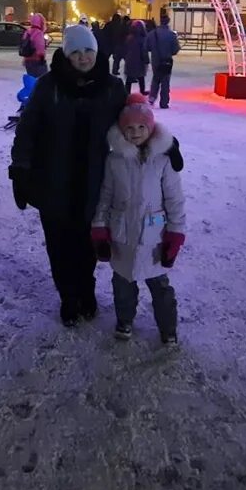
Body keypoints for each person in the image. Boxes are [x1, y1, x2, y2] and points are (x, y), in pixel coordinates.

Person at [9, 24, 126, 326]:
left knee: (88, 245)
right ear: (66, 54)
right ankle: (68, 298)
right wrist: (20, 170)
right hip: (53, 181)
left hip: (95, 182)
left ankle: (86, 290)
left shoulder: (112, 87)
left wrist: (162, 145)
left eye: (88, 50)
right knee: (60, 247)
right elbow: (28, 130)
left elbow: (134, 126)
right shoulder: (49, 86)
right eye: (75, 52)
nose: (83, 57)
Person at [91, 93, 185, 344]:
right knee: (122, 285)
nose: (135, 133)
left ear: (151, 127)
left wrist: (175, 234)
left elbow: (175, 200)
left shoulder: (164, 160)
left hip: (153, 238)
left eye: (141, 127)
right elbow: (105, 195)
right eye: (129, 128)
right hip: (121, 235)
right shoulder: (114, 160)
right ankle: (124, 320)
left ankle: (168, 327)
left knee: (160, 288)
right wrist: (100, 229)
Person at [145, 11, 181, 109]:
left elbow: (147, 46)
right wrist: (169, 52)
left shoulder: (152, 34)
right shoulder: (171, 35)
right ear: (168, 22)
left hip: (156, 60)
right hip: (167, 61)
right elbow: (176, 49)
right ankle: (164, 102)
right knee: (165, 81)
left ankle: (152, 97)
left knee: (156, 78)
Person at [122, 19, 149, 96]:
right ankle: (142, 90)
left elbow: (125, 49)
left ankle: (127, 92)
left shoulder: (129, 38)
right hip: (139, 60)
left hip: (130, 59)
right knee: (141, 76)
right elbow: (144, 51)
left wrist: (125, 57)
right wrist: (146, 60)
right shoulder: (142, 39)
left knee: (129, 77)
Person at [19, 13, 48, 78]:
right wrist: (42, 59)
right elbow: (40, 48)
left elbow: (24, 44)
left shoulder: (27, 32)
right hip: (37, 61)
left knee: (32, 80)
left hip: (27, 61)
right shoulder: (38, 33)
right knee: (42, 80)